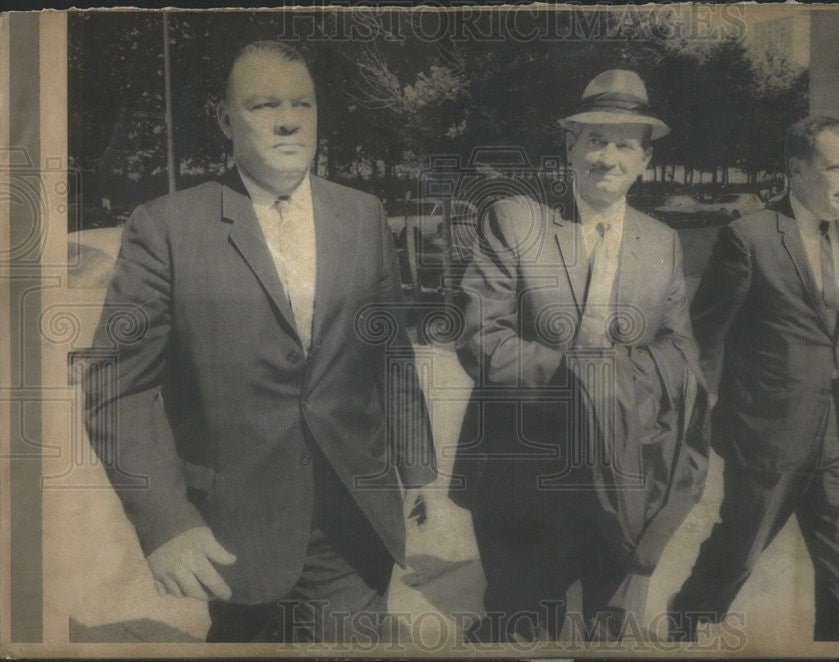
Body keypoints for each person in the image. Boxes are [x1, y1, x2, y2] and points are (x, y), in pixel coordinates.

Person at [84, 41, 435, 643]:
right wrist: (166, 523)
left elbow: (389, 357)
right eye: (263, 104)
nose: (288, 118)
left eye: (303, 103)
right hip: (235, 533)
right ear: (225, 119)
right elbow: (119, 387)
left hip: (353, 520)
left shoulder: (364, 215)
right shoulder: (166, 227)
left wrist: (418, 468)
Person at [450, 70, 710, 642]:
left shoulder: (661, 241)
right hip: (522, 472)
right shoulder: (515, 221)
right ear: (569, 147)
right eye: (594, 140)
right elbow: (479, 338)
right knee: (518, 627)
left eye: (624, 143)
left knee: (610, 629)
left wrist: (625, 388)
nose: (607, 157)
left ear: (644, 159)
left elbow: (681, 350)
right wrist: (583, 378)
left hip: (622, 473)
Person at [669, 116, 839, 641]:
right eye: (835, 168)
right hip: (767, 437)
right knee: (737, 553)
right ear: (797, 172)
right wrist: (696, 425)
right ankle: (686, 623)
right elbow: (705, 338)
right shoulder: (750, 237)